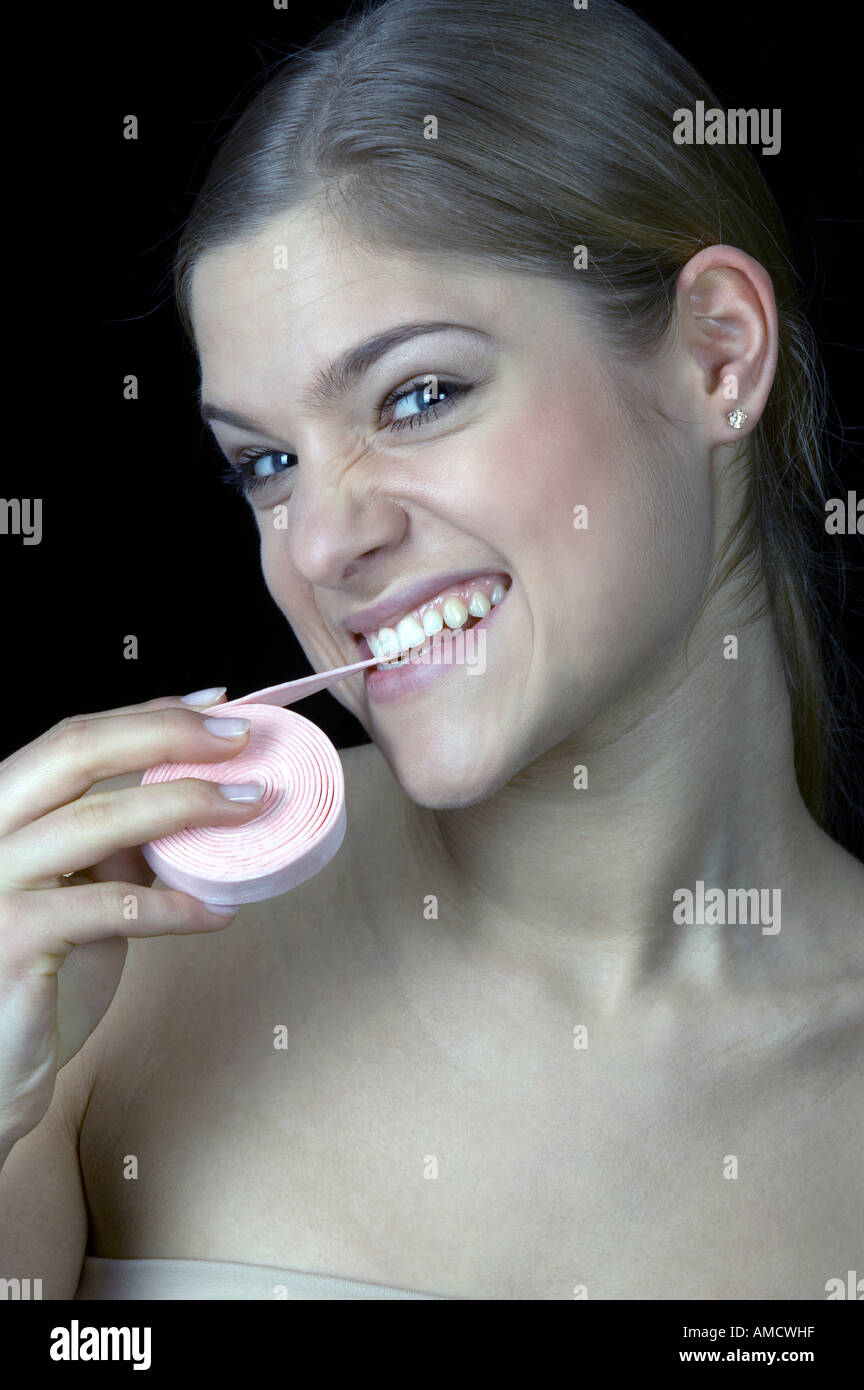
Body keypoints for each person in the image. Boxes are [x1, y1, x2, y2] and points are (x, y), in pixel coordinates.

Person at [1, 0, 861, 1300]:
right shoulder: (101, 972)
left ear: (716, 353)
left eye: (418, 395)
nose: (321, 541)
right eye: (267, 463)